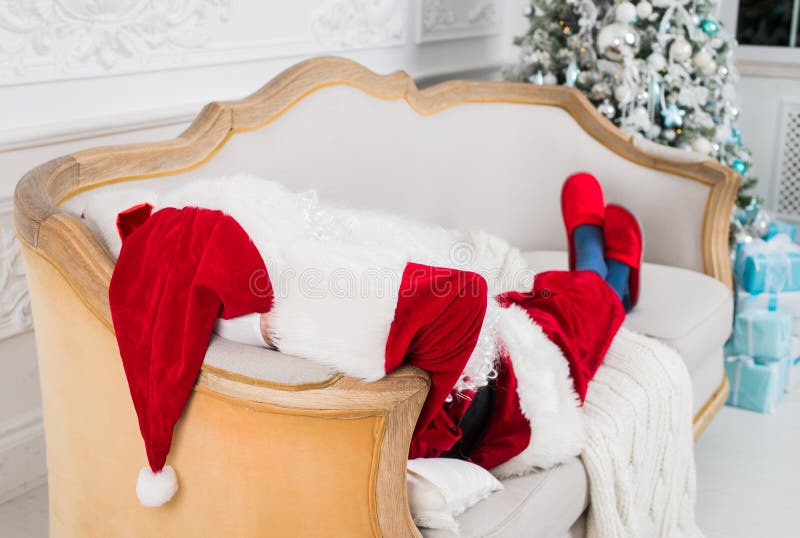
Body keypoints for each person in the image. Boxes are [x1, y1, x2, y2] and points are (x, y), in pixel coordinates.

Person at [95, 172, 642, 506]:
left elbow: (104, 212)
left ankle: (596, 264)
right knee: (580, 309)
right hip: (511, 397)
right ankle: (602, 263)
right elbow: (462, 296)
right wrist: (283, 313)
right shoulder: (306, 306)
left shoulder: (202, 332)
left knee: (539, 297)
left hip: (471, 367)